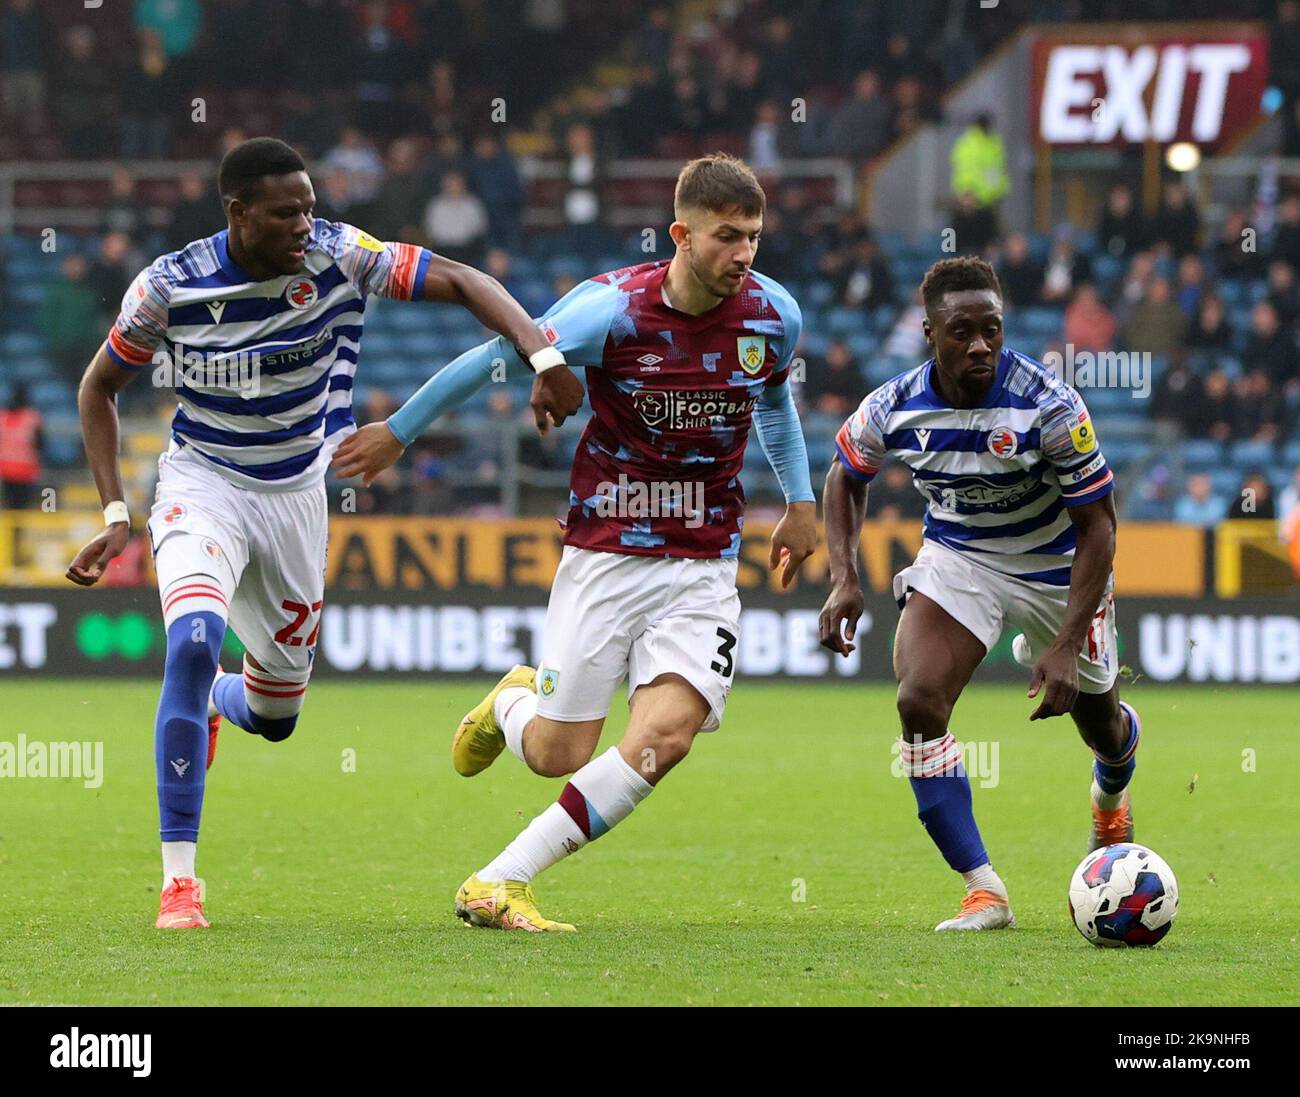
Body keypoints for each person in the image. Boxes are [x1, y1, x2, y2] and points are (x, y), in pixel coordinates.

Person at [64, 138, 584, 931]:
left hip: (299, 497)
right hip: (200, 486)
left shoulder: (343, 255)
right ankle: (180, 883)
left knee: (277, 715)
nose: (305, 223)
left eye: (309, 205)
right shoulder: (167, 287)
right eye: (285, 212)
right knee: (194, 638)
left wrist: (541, 353)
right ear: (239, 214)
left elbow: (465, 279)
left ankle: (212, 703)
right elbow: (98, 387)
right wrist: (112, 512)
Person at [334, 153, 818, 932]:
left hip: (704, 561)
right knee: (558, 753)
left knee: (666, 736)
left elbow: (772, 403)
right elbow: (496, 357)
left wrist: (799, 500)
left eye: (754, 239)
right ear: (680, 235)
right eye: (727, 237)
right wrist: (399, 430)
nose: (743, 256)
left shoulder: (774, 315)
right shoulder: (611, 310)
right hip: (608, 550)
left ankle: (500, 879)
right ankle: (511, 700)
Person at [819, 257, 1139, 932]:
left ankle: (1111, 789)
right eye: (961, 331)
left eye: (991, 329)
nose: (979, 345)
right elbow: (844, 475)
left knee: (1101, 726)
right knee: (917, 697)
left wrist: (1063, 641)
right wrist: (845, 577)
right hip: (961, 557)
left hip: (1059, 567)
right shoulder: (894, 404)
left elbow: (1101, 527)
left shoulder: (1049, 406)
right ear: (929, 331)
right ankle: (984, 889)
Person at [0, 383, 43, 510]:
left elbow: (40, 443)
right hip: (19, 470)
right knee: (18, 508)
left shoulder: (4, 417)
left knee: (13, 508)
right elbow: (40, 444)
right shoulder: (32, 418)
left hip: (15, 470)